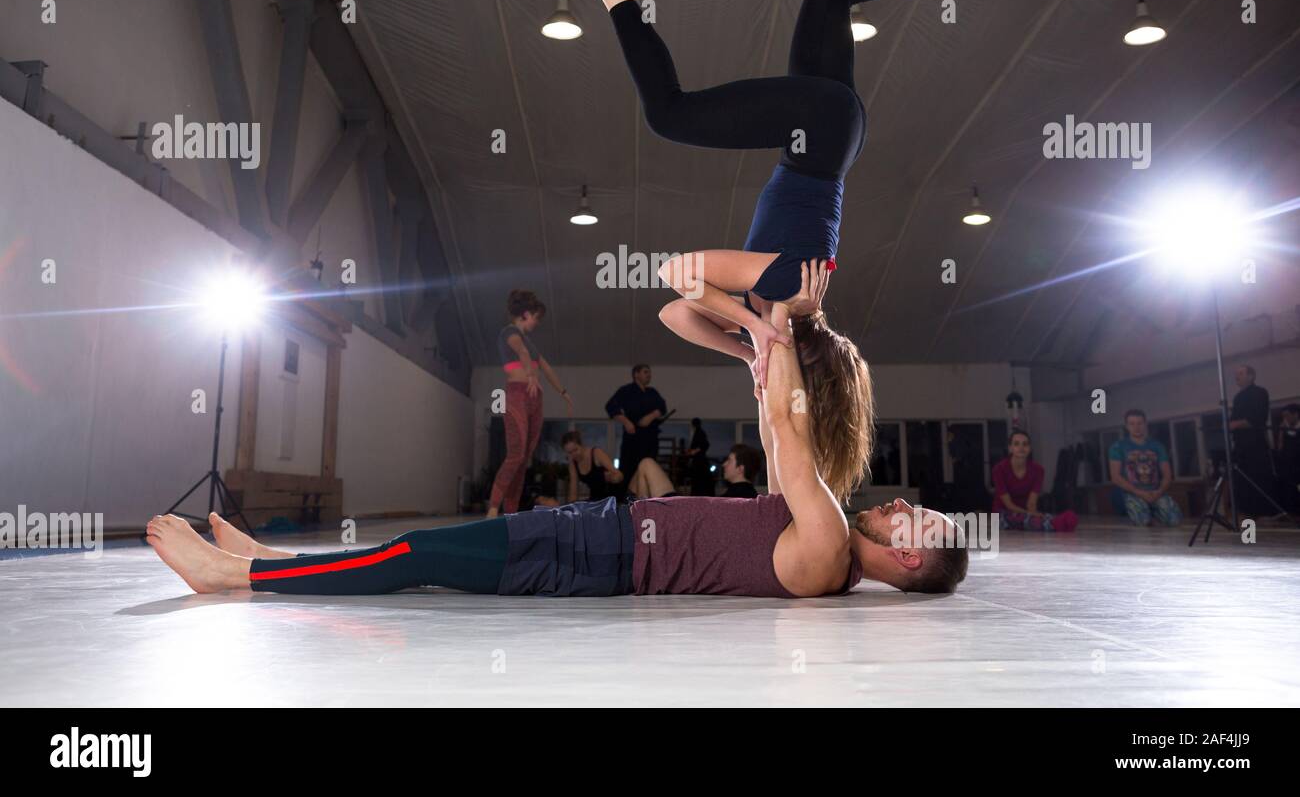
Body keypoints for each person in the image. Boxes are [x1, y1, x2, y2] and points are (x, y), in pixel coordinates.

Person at [551, 0, 1018, 496]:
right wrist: (757, 326)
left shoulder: (774, 304)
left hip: (832, 135)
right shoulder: (785, 283)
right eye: (772, 368)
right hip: (819, 136)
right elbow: (675, 272)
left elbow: (673, 314)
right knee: (669, 114)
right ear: (795, 352)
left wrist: (748, 348)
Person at [146, 327, 969, 599]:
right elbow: (779, 434)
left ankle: (237, 582)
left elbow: (792, 440)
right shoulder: (821, 533)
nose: (903, 505)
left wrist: (783, 326)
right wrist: (761, 361)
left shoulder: (829, 547)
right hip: (604, 533)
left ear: (904, 553)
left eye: (915, 520)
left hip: (596, 554)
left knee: (415, 554)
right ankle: (274, 557)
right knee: (425, 550)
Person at [489, 290, 573, 517]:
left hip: (536, 398)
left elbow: (547, 369)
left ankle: (511, 512)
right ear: (526, 314)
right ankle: (493, 508)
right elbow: (521, 351)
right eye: (536, 317)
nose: (537, 323)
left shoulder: (531, 342)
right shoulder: (510, 332)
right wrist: (530, 374)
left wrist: (563, 391)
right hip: (518, 394)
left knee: (524, 459)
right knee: (515, 455)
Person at [990, 429, 1077, 532]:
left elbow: (1031, 503)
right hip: (1003, 513)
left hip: (1025, 512)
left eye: (1025, 444)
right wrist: (1030, 515)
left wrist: (1033, 514)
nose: (1021, 447)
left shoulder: (1038, 470)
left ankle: (1054, 522)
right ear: (1010, 448)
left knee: (1039, 519)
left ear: (1030, 448)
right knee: (1027, 521)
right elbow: (1008, 504)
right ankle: (1054, 524)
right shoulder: (999, 469)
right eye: (1017, 444)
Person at [1108, 410, 1181, 526]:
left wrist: (1159, 492)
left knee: (1174, 520)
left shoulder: (1157, 446)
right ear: (1127, 426)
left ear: (1145, 424)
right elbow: (1115, 477)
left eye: (1139, 423)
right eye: (1132, 424)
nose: (1136, 427)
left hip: (1155, 492)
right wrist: (1140, 492)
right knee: (1142, 521)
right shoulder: (1118, 447)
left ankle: (1156, 514)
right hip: (1133, 493)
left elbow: (1167, 475)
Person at [604, 364, 667, 480]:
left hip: (650, 438)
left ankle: (647, 497)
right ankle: (625, 497)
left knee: (650, 469)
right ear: (636, 374)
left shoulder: (652, 392)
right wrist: (626, 421)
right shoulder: (626, 391)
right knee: (628, 470)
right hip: (633, 437)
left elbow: (662, 408)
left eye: (649, 373)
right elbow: (610, 406)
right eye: (646, 372)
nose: (649, 375)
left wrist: (651, 416)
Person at [1228, 364, 1274, 515]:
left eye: (1240, 373)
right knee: (1242, 479)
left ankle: (1264, 511)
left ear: (1251, 376)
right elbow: (1233, 419)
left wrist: (1236, 424)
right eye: (1236, 374)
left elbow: (1258, 418)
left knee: (1259, 478)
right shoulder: (1237, 397)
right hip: (1240, 446)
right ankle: (1246, 511)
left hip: (1255, 445)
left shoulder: (1260, 393)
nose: (1237, 377)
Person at [561, 430, 623, 504]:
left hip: (613, 498)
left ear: (581, 445)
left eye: (575, 450)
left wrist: (610, 478)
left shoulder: (596, 453)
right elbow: (573, 489)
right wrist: (570, 508)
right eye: (570, 452)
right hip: (595, 499)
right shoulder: (572, 462)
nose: (573, 454)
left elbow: (619, 475)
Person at [1273, 404, 1300, 516]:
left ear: (1296, 414)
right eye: (1283, 416)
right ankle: (1289, 512)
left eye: (1287, 416)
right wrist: (1281, 432)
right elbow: (1280, 447)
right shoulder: (1284, 428)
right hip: (1287, 466)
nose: (1285, 419)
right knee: (1287, 489)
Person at [686, 418, 714, 496]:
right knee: (699, 479)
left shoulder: (699, 432)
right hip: (699, 460)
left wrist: (694, 451)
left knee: (699, 480)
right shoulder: (698, 432)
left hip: (699, 461)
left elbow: (705, 444)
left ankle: (698, 495)